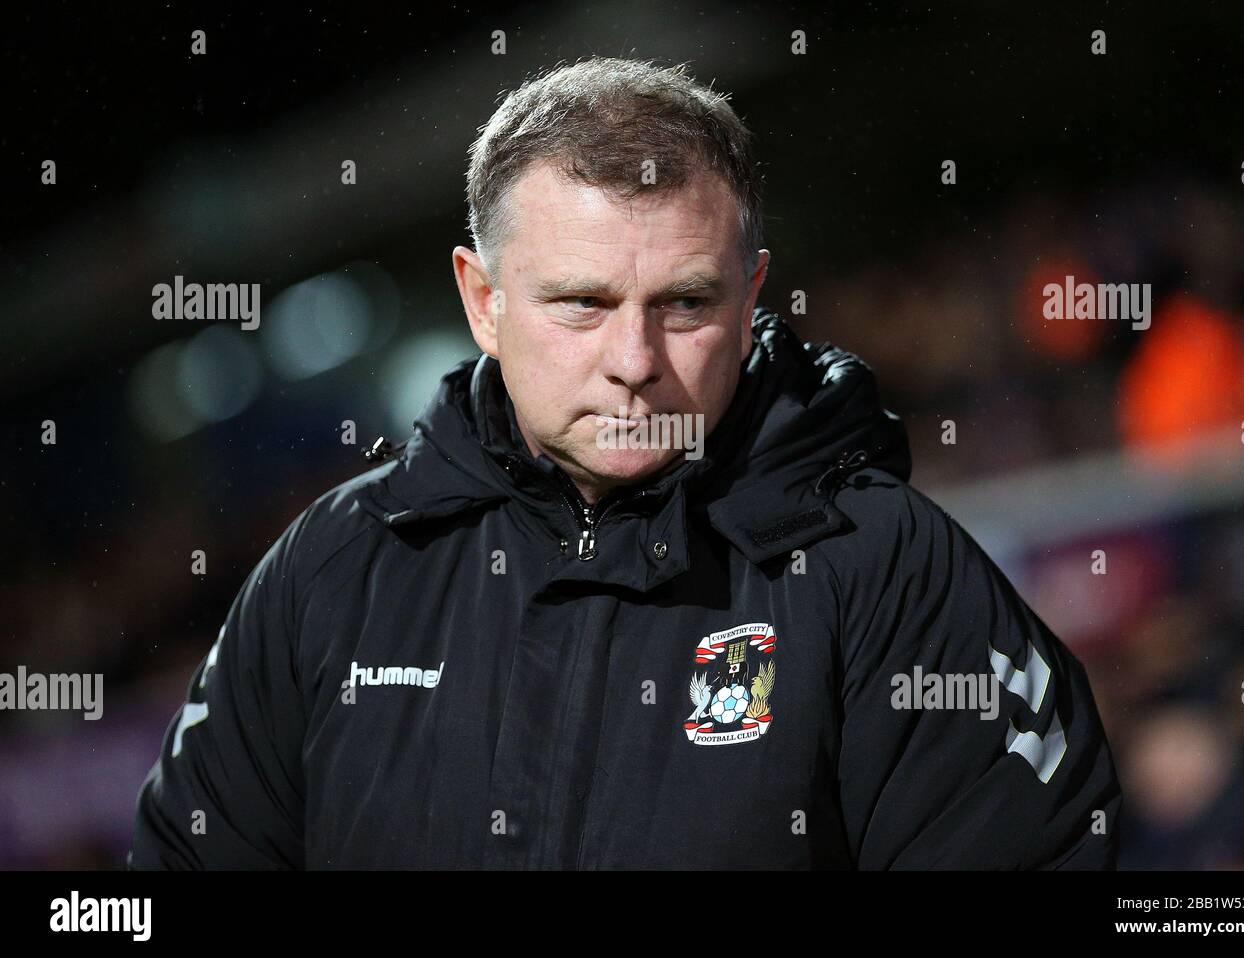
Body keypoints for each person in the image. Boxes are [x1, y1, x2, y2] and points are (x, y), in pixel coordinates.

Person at [129, 57, 1121, 869]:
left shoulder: (887, 567)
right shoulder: (331, 570)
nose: (636, 361)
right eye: (581, 304)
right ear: (482, 301)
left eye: (684, 303)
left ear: (750, 294)